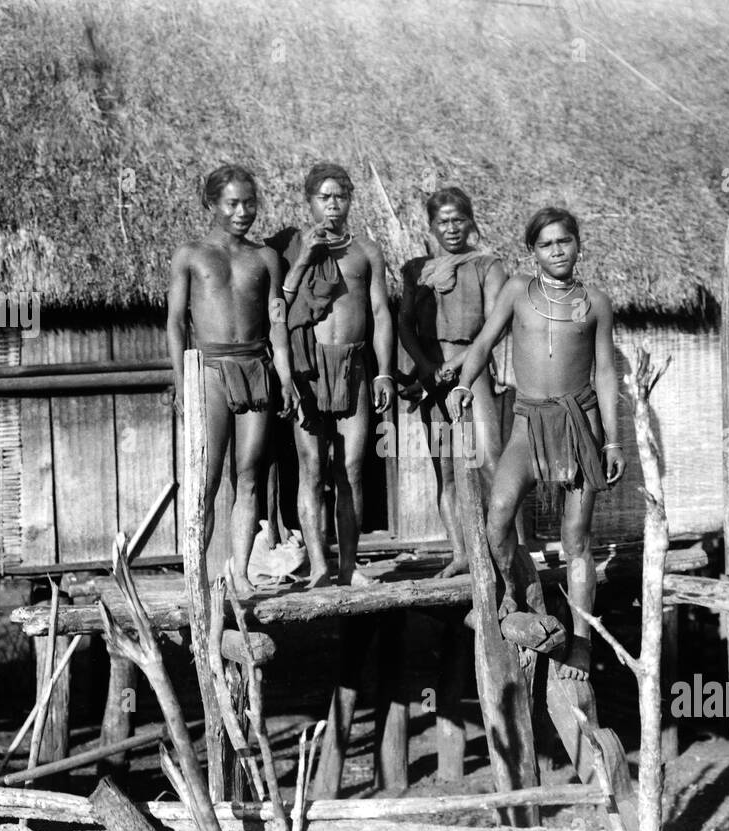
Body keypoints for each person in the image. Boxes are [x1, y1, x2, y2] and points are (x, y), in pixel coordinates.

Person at [446, 207, 625, 672]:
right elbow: (483, 343)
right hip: (527, 423)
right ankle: (514, 589)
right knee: (498, 516)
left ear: (578, 244)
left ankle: (582, 641)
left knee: (576, 539)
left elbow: (605, 371)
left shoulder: (596, 302)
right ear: (533, 251)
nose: (557, 250)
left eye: (564, 241)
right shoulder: (517, 293)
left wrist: (612, 441)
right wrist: (464, 385)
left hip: (579, 423)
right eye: (546, 244)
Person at [166, 164, 294, 598]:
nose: (243, 212)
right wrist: (184, 384)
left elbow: (278, 322)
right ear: (211, 204)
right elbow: (174, 325)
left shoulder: (265, 258)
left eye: (250, 203)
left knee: (250, 474)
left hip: (256, 368)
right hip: (210, 369)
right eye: (233, 204)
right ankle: (195, 577)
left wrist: (287, 376)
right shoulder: (191, 255)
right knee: (207, 478)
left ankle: (240, 572)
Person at [279, 162, 396, 586]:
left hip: (355, 366)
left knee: (350, 469)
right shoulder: (291, 248)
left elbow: (381, 312)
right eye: (323, 197)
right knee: (311, 467)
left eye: (340, 196)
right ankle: (319, 566)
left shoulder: (366, 250)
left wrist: (384, 373)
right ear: (309, 201)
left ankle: (348, 566)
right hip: (308, 367)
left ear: (350, 200)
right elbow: (276, 306)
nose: (332, 204)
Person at [398, 187, 507, 578]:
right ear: (430, 226)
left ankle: (505, 551)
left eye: (458, 219)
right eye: (442, 221)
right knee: (444, 468)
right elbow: (404, 325)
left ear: (471, 221)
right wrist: (428, 369)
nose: (451, 228)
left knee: (490, 462)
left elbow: (494, 326)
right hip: (432, 376)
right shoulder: (416, 270)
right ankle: (461, 552)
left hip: (472, 371)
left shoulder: (487, 266)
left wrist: (458, 363)